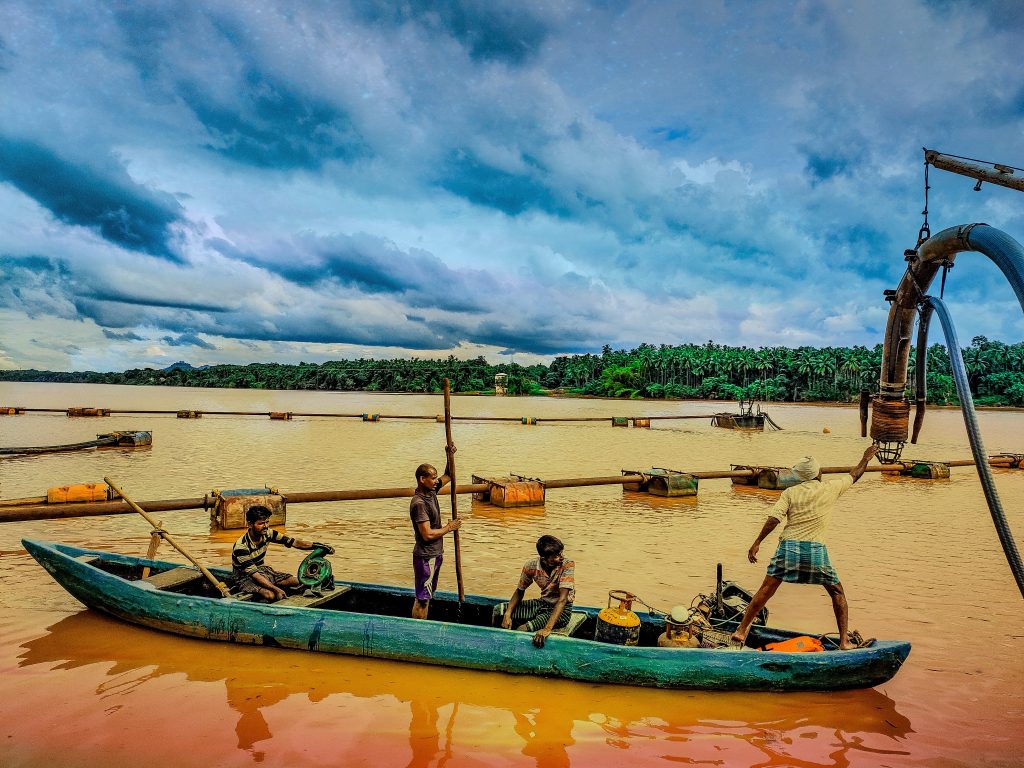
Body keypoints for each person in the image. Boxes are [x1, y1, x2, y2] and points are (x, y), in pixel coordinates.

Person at [731, 444, 877, 650]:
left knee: (765, 590)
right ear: (818, 473)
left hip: (788, 550)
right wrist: (866, 458)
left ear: (800, 476)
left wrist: (757, 543)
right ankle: (844, 641)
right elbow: (855, 475)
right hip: (815, 552)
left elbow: (774, 519)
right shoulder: (830, 488)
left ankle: (740, 630)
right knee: (837, 592)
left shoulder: (790, 493)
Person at [231, 505, 330, 602]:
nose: (265, 526)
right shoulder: (241, 547)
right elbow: (255, 575)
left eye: (267, 522)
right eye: (261, 523)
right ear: (250, 524)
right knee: (270, 595)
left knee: (298, 581)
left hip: (263, 571)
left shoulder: (268, 534)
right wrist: (276, 589)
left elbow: (294, 542)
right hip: (245, 577)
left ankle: (273, 587)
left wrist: (317, 545)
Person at [497, 535, 575, 648]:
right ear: (544, 558)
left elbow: (562, 600)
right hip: (543, 603)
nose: (561, 557)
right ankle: (497, 642)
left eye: (561, 553)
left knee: (522, 630)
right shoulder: (531, 566)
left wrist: (547, 629)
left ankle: (510, 651)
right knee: (498, 611)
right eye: (557, 556)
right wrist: (508, 614)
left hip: (562, 611)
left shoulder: (567, 564)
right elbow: (519, 591)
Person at [410, 458, 462, 619]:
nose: (435, 481)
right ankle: (418, 630)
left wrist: (449, 454)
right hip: (426, 557)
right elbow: (427, 534)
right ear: (422, 479)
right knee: (423, 599)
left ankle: (421, 626)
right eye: (432, 478)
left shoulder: (431, 491)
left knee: (426, 595)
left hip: (435, 554)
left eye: (435, 478)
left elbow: (449, 474)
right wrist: (449, 527)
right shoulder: (419, 503)